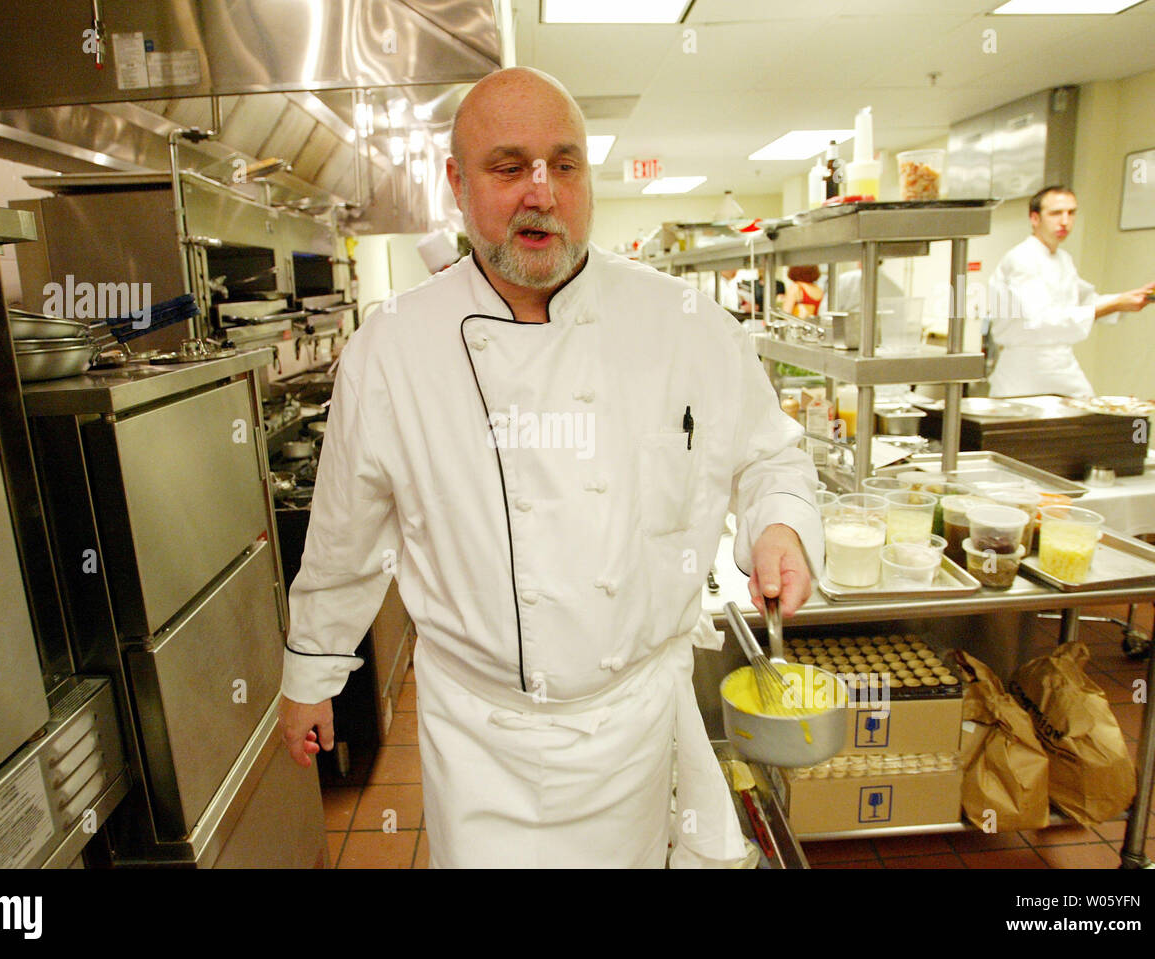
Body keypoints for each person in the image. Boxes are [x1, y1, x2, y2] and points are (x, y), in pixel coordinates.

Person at [276, 67, 823, 868]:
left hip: (633, 728)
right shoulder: (392, 350)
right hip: (481, 739)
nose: (542, 191)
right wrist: (312, 670)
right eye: (509, 166)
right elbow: (345, 535)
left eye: (564, 164)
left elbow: (771, 452)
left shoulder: (685, 325)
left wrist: (781, 523)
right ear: (458, 184)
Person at [987, 186, 1155, 397]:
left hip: (1062, 365)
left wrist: (1135, 296)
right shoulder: (1022, 259)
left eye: (1071, 213)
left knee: (1088, 420)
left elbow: (1086, 300)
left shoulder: (1063, 259)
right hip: (1025, 371)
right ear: (1035, 218)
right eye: (1056, 213)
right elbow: (1042, 320)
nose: (1065, 221)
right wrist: (1116, 304)